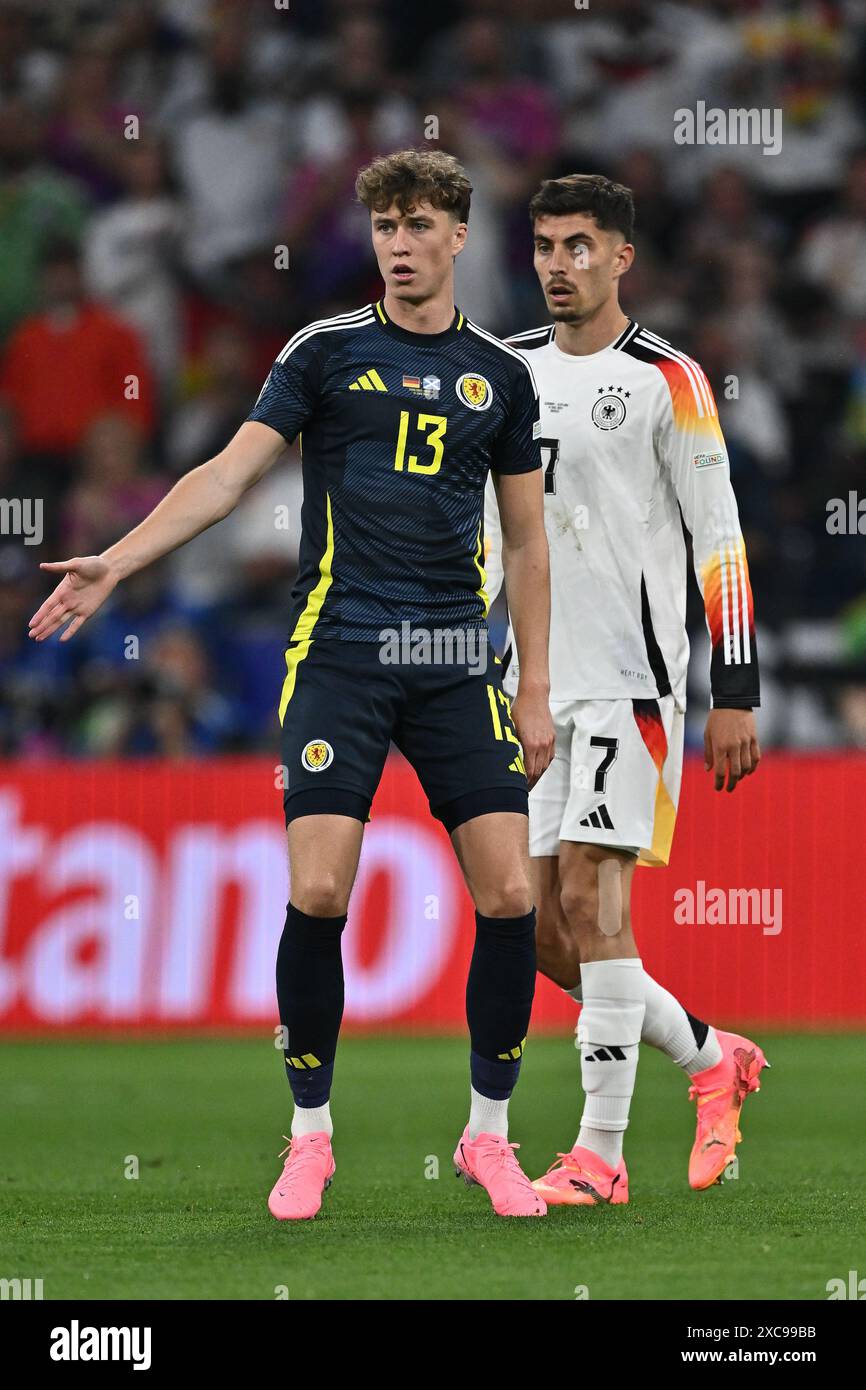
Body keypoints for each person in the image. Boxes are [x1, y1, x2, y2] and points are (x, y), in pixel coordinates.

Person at [28, 149, 555, 1221]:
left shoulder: (498, 376)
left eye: (417, 227)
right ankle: (308, 1133)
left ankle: (488, 1137)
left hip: (456, 660)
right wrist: (119, 559)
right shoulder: (324, 352)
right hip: (341, 653)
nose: (398, 247)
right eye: (383, 229)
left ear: (458, 236)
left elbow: (530, 540)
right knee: (318, 891)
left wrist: (533, 682)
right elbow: (227, 474)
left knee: (509, 894)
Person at [483, 174, 767, 1206]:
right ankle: (709, 1056)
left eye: (578, 246)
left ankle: (598, 1154)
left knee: (596, 908)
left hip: (629, 689)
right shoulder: (501, 370)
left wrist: (729, 686)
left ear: (619, 259)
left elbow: (719, 537)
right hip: (533, 691)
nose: (558, 264)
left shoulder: (668, 378)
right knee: (545, 931)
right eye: (545, 246)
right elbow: (491, 536)